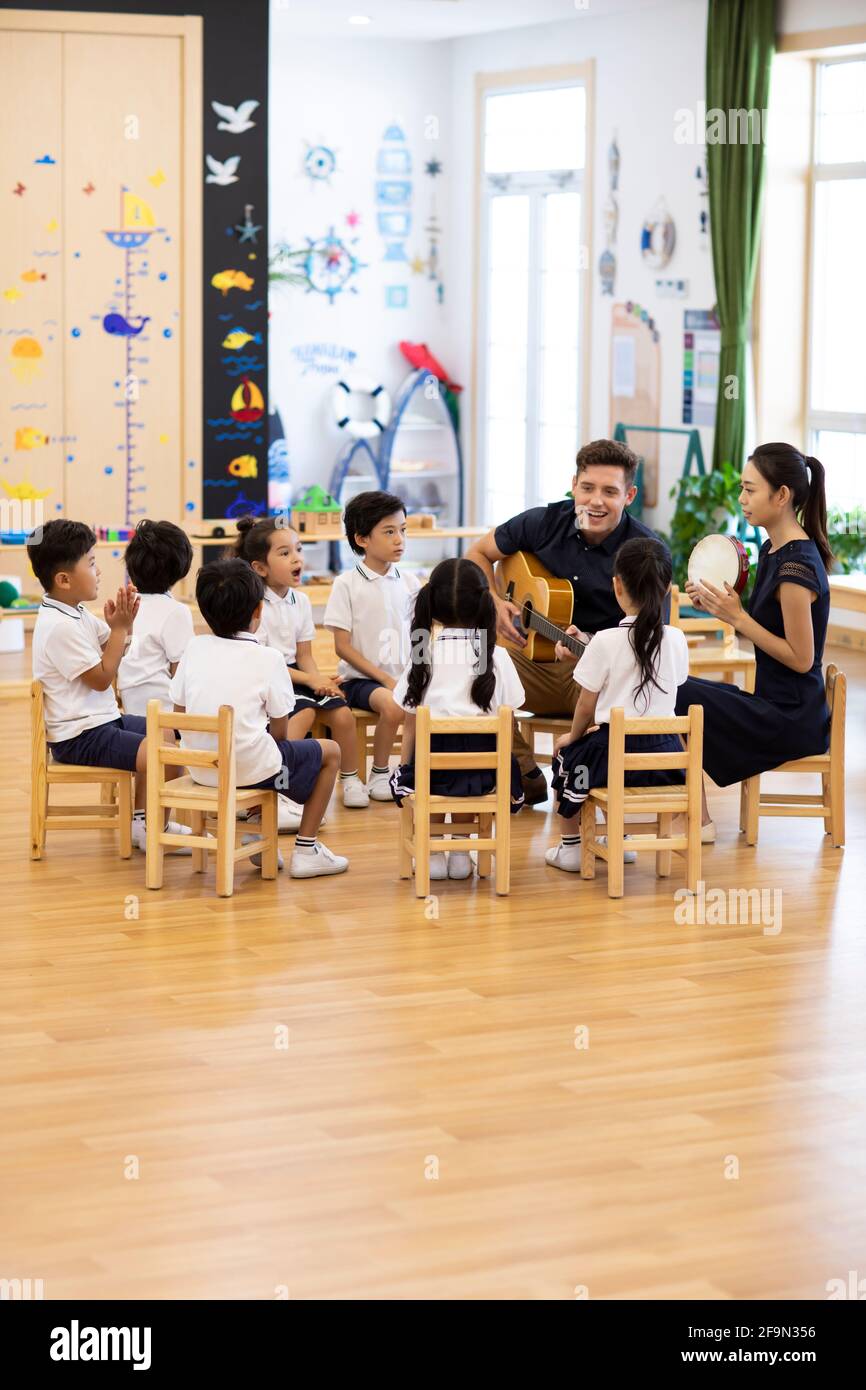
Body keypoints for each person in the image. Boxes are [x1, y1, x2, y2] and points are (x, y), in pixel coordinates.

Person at [465, 438, 669, 805]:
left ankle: (578, 799)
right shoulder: (543, 523)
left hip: (597, 680)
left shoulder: (645, 551)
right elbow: (478, 553)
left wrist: (594, 649)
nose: (595, 501)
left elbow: (651, 641)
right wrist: (493, 600)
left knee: (620, 704)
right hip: (533, 667)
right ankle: (525, 772)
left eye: (610, 491)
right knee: (473, 667)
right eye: (587, 488)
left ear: (629, 495)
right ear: (574, 485)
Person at [674, 443, 832, 836]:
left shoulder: (795, 567)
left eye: (750, 489)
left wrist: (738, 618)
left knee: (677, 693)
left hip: (791, 718)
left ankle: (695, 820)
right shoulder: (773, 550)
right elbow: (766, 626)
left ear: (782, 495)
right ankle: (694, 816)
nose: (742, 499)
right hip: (773, 703)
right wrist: (722, 609)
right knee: (673, 684)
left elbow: (801, 659)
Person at [170, 559, 348, 878]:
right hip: (249, 768)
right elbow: (280, 728)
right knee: (327, 752)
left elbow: (179, 716)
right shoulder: (269, 658)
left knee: (264, 753)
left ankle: (258, 827)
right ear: (258, 611)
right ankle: (306, 849)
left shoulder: (193, 648)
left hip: (201, 769)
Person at [28, 519, 189, 853]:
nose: (98, 570)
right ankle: (154, 829)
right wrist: (119, 631)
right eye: (91, 563)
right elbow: (102, 679)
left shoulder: (75, 612)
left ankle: (143, 823)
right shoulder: (59, 626)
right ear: (64, 579)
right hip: (79, 736)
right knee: (166, 754)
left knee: (165, 732)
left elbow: (115, 648)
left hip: (101, 723)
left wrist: (123, 628)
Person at [546, 538, 690, 872]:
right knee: (599, 752)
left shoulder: (605, 641)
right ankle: (618, 839)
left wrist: (573, 737)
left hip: (612, 759)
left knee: (568, 761)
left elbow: (585, 706)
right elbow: (677, 685)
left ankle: (571, 847)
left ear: (617, 586)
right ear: (667, 587)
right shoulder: (677, 639)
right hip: (665, 759)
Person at [389, 558, 525, 881]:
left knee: (430, 764)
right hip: (483, 775)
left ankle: (433, 853)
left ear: (433, 606)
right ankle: (462, 853)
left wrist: (405, 769)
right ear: (483, 603)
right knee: (472, 759)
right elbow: (509, 721)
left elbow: (410, 725)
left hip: (430, 773)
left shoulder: (423, 655)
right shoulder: (497, 656)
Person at [234, 515, 369, 823]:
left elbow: (304, 654)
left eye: (298, 549)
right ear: (260, 568)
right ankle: (279, 789)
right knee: (303, 713)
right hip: (269, 676)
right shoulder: (256, 604)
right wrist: (311, 678)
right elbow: (267, 662)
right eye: (285, 553)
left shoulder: (301, 601)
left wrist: (320, 680)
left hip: (298, 674)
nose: (297, 558)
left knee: (342, 714)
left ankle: (350, 779)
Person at [323, 490, 420, 801]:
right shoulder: (346, 584)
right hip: (361, 682)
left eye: (402, 530)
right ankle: (377, 774)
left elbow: (419, 636)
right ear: (362, 539)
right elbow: (342, 647)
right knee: (393, 704)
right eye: (389, 532)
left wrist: (419, 674)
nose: (399, 540)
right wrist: (387, 680)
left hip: (402, 679)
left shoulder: (411, 582)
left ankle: (411, 771)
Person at [118, 519, 194, 714]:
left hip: (132, 710)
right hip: (164, 714)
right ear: (181, 567)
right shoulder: (176, 611)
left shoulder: (127, 607)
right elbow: (182, 674)